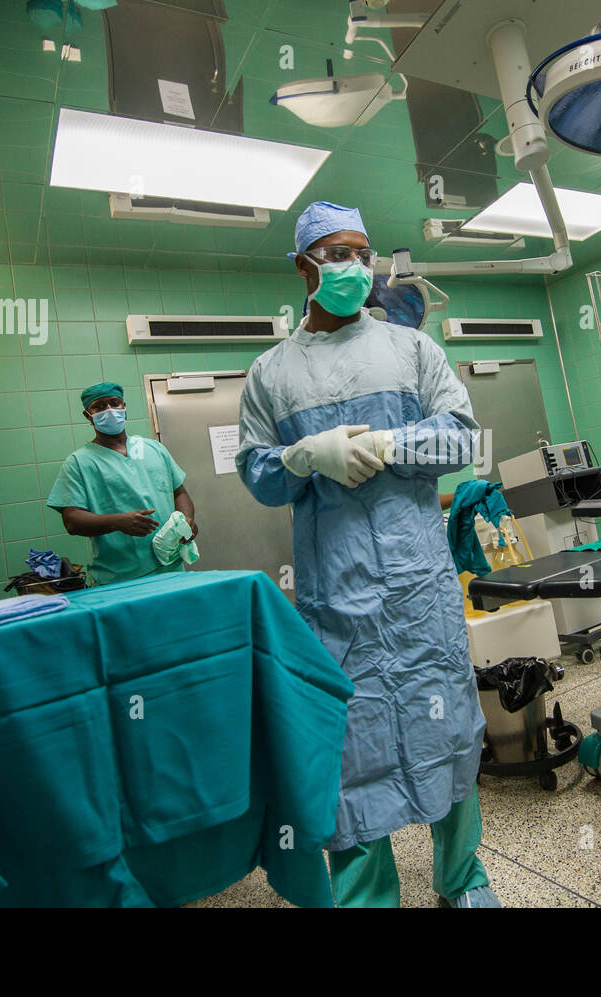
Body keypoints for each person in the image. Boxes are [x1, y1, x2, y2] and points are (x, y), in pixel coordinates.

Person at [236, 201, 496, 908]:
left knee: (444, 728)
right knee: (353, 753)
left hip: (420, 591)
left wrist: (389, 445)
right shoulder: (271, 374)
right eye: (336, 253)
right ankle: (366, 897)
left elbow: (462, 439)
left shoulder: (412, 349)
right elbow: (258, 475)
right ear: (303, 266)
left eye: (362, 252)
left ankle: (463, 876)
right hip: (336, 600)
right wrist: (304, 454)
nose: (354, 267)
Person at [46, 382, 197, 586]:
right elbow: (72, 520)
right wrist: (117, 522)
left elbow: (179, 492)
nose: (109, 410)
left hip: (172, 570)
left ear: (124, 407)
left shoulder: (154, 449)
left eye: (114, 403)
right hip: (120, 579)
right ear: (87, 415)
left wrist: (187, 519)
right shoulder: (79, 462)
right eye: (99, 406)